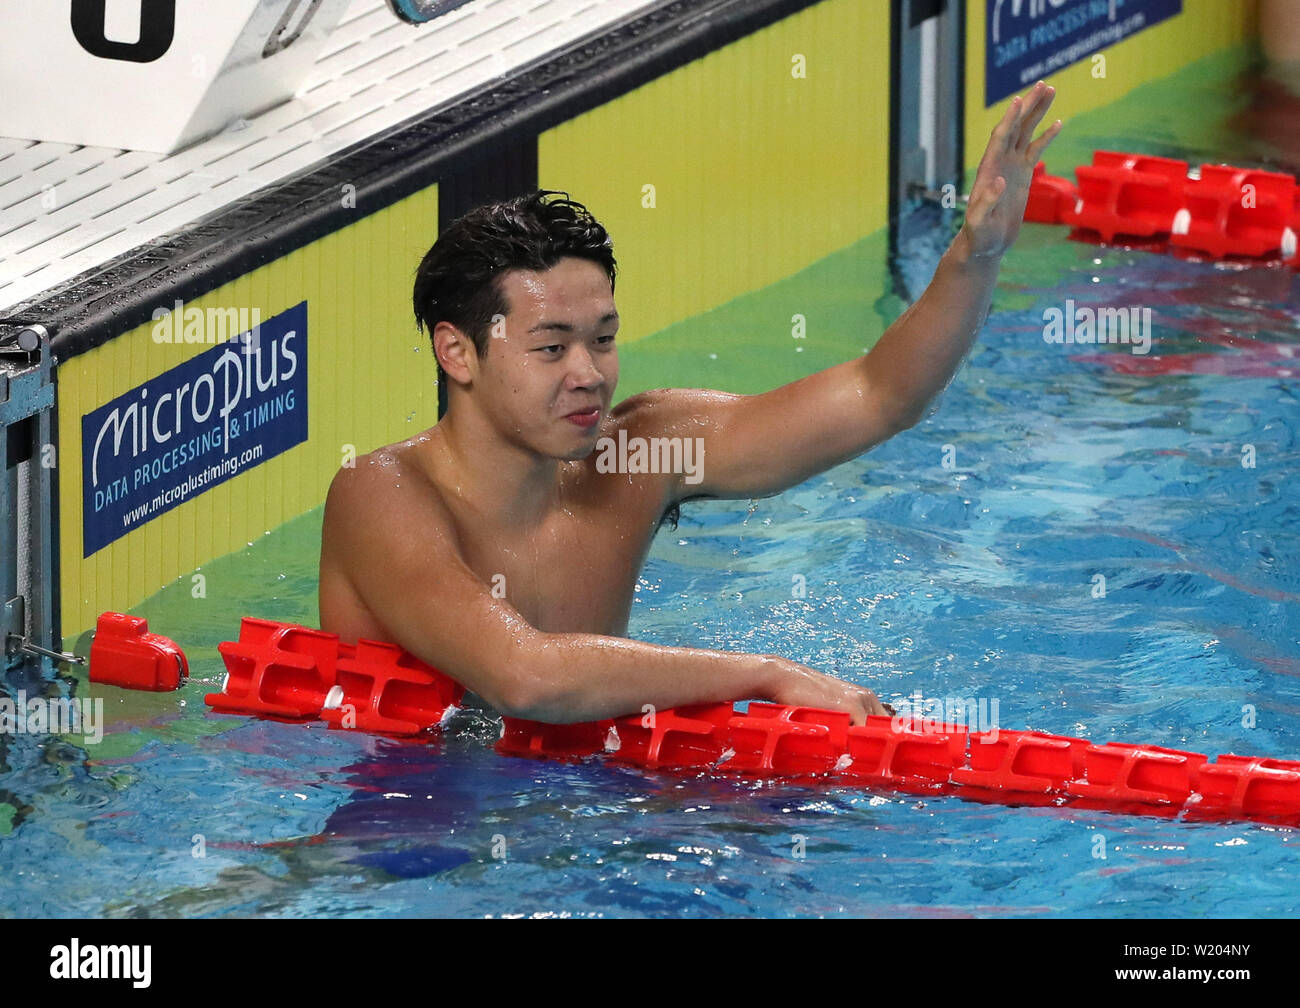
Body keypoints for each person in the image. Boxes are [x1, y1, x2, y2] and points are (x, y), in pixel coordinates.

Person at [319, 82, 1061, 726]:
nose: (588, 374)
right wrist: (762, 673)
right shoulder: (382, 496)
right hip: (410, 834)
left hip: (577, 808)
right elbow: (525, 677)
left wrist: (976, 254)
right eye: (551, 348)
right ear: (458, 353)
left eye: (602, 339)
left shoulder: (637, 451)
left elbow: (879, 396)